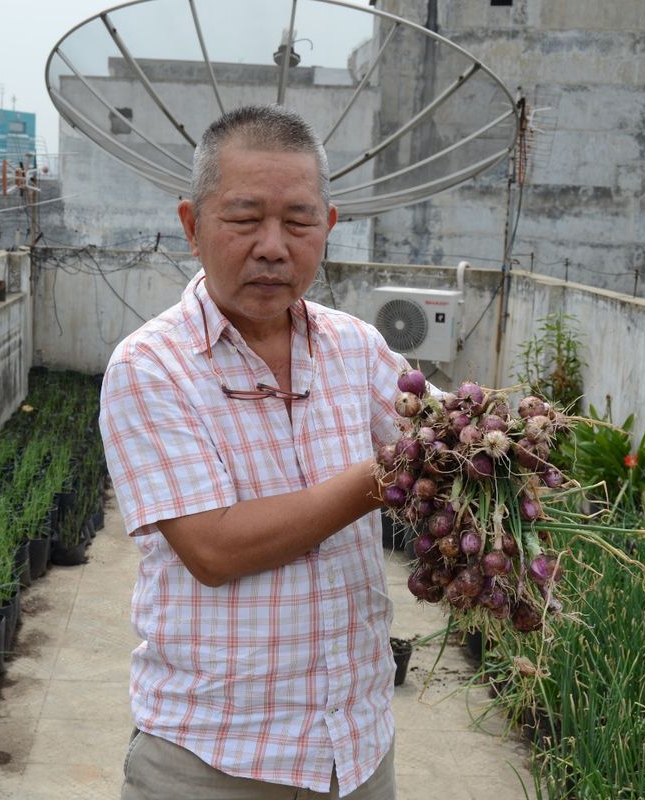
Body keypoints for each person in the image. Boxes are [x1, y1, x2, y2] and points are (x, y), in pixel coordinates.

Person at [99, 105, 416, 799]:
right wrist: (381, 477)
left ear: (327, 229)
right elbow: (214, 550)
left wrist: (498, 452)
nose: (274, 246)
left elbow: (439, 446)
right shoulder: (151, 367)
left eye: (299, 223)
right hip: (213, 763)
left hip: (357, 753)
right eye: (245, 219)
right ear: (192, 226)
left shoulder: (357, 347)